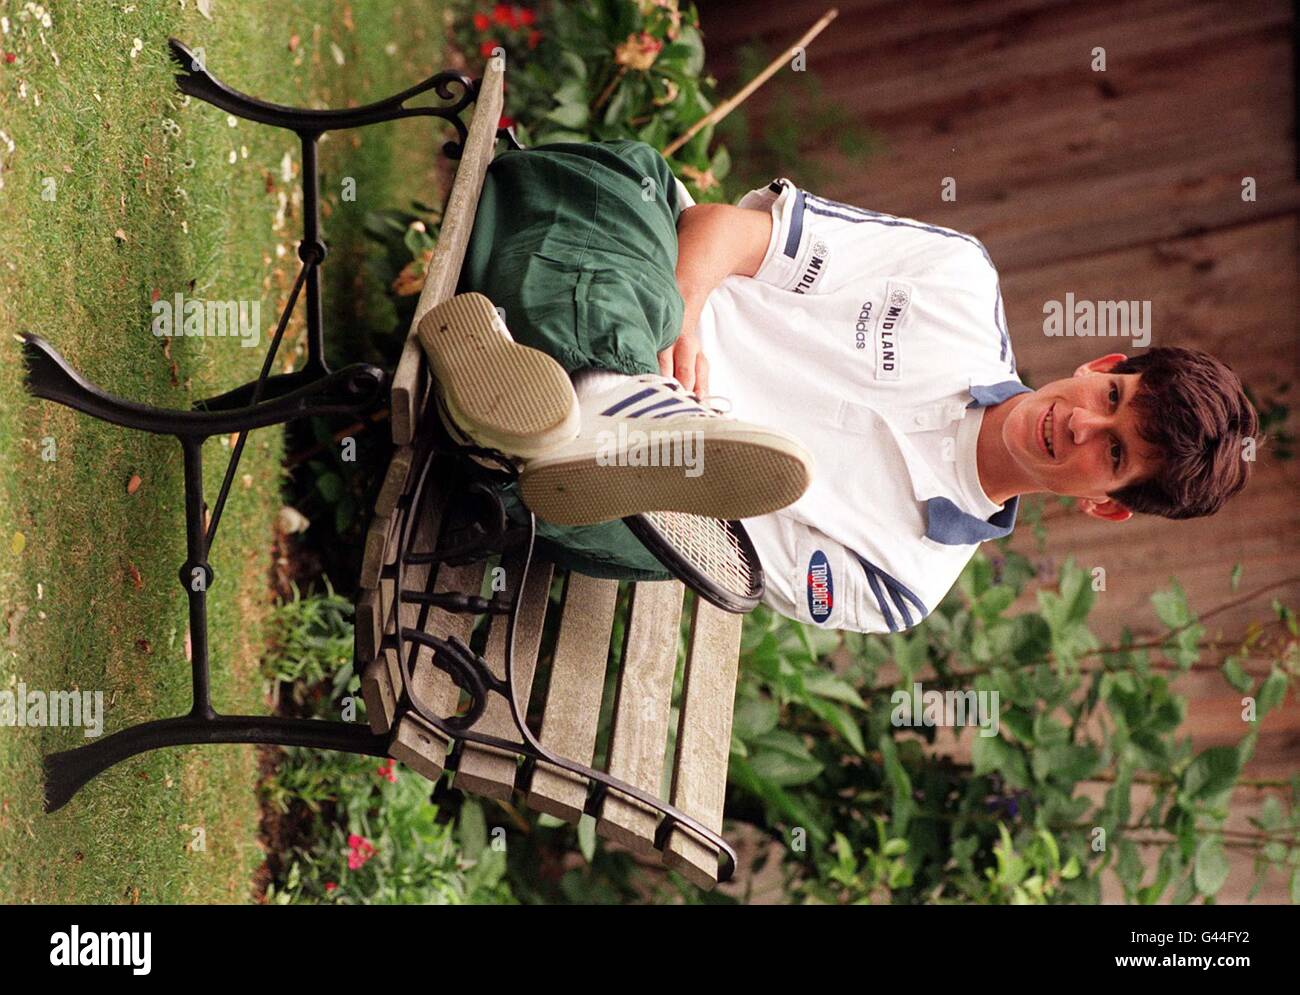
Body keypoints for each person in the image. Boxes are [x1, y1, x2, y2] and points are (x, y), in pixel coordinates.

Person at [423, 139, 1259, 633]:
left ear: (1106, 503)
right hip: (633, 268)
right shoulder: (955, 281)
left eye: (1112, 455)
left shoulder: (905, 582)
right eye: (1110, 403)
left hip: (619, 489)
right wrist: (673, 330)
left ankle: (555, 415)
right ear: (1103, 368)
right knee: (633, 216)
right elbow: (719, 230)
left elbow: (707, 542)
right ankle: (602, 397)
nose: (1080, 427)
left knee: (632, 529)